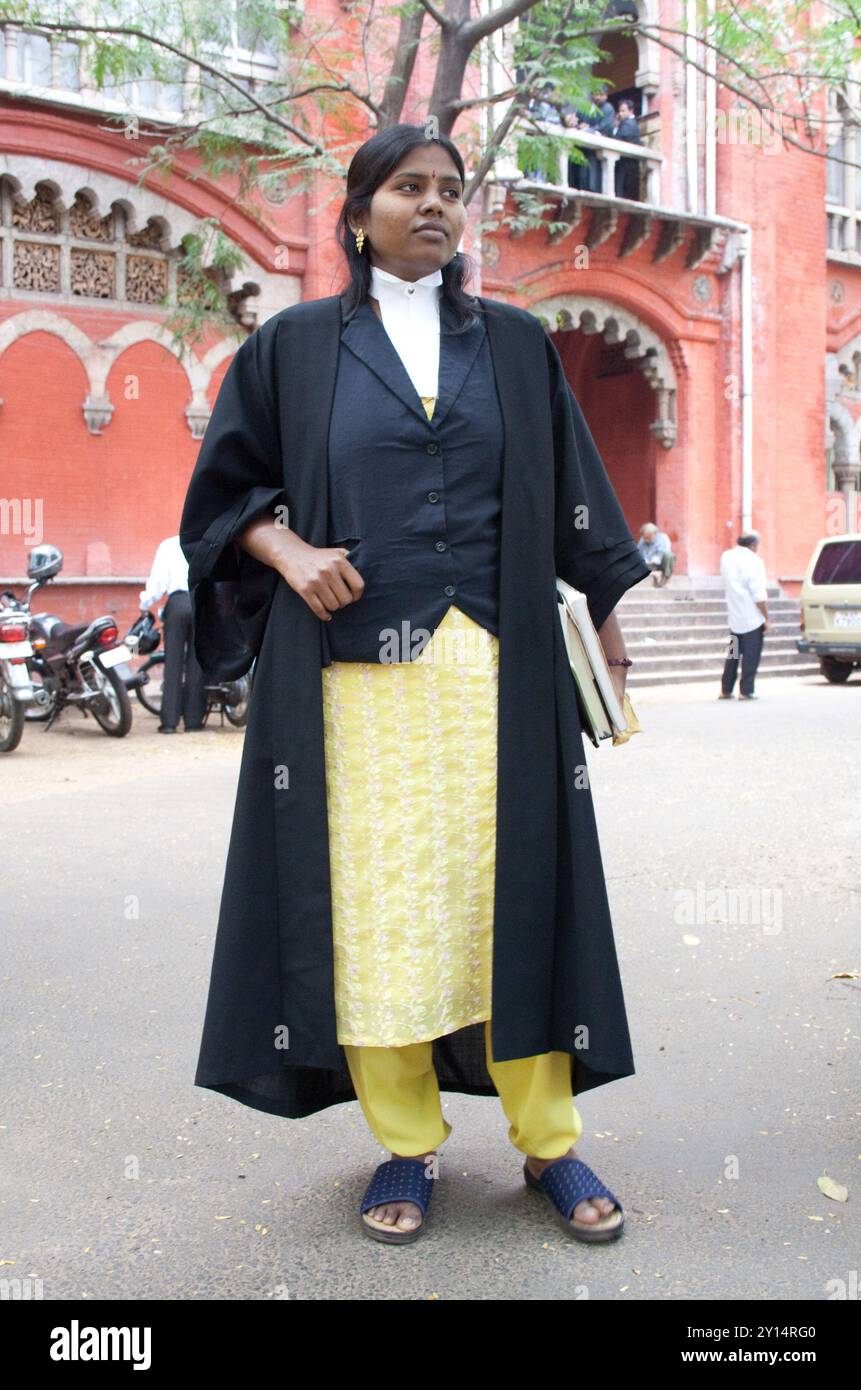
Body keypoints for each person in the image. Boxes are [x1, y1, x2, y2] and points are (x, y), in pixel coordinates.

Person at [179, 124, 651, 1248]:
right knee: (378, 907)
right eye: (408, 188)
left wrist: (609, 622)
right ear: (358, 213)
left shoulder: (516, 346)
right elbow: (219, 498)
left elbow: (577, 502)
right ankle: (405, 1141)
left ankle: (549, 1142)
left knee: (517, 898)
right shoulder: (292, 348)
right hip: (352, 690)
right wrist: (289, 553)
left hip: (494, 672)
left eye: (450, 190)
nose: (435, 206)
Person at [139, 534, 207, 732]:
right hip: (200, 603)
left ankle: (169, 722)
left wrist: (145, 604)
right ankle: (194, 721)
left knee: (173, 663)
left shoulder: (169, 545)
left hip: (177, 604)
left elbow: (158, 581)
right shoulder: (204, 542)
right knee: (198, 663)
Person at [719, 532, 771, 700]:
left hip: (734, 616)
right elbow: (758, 594)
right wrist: (766, 618)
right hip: (752, 618)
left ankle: (726, 689)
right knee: (751, 655)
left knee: (733, 654)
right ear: (753, 545)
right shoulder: (755, 561)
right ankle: (746, 690)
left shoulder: (726, 557)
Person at [567, 86, 616, 193]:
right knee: (579, 171)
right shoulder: (586, 107)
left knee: (592, 174)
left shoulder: (608, 109)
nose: (598, 97)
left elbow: (606, 126)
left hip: (595, 147)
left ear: (606, 96)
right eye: (595, 94)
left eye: (601, 95)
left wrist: (590, 129)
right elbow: (577, 120)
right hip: (582, 145)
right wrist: (576, 123)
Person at [613, 98, 643, 200]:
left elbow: (617, 140)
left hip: (627, 164)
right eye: (619, 111)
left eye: (623, 111)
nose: (620, 114)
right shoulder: (628, 123)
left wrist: (616, 127)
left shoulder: (629, 124)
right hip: (628, 164)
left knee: (623, 190)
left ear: (631, 111)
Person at [637, 522, 676, 587]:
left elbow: (662, 553)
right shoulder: (642, 540)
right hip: (647, 565)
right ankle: (654, 574)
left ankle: (666, 578)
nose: (646, 540)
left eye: (648, 537)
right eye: (645, 537)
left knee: (669, 556)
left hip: (659, 563)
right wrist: (645, 562)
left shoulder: (663, 538)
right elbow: (639, 554)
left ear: (655, 534)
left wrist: (652, 561)